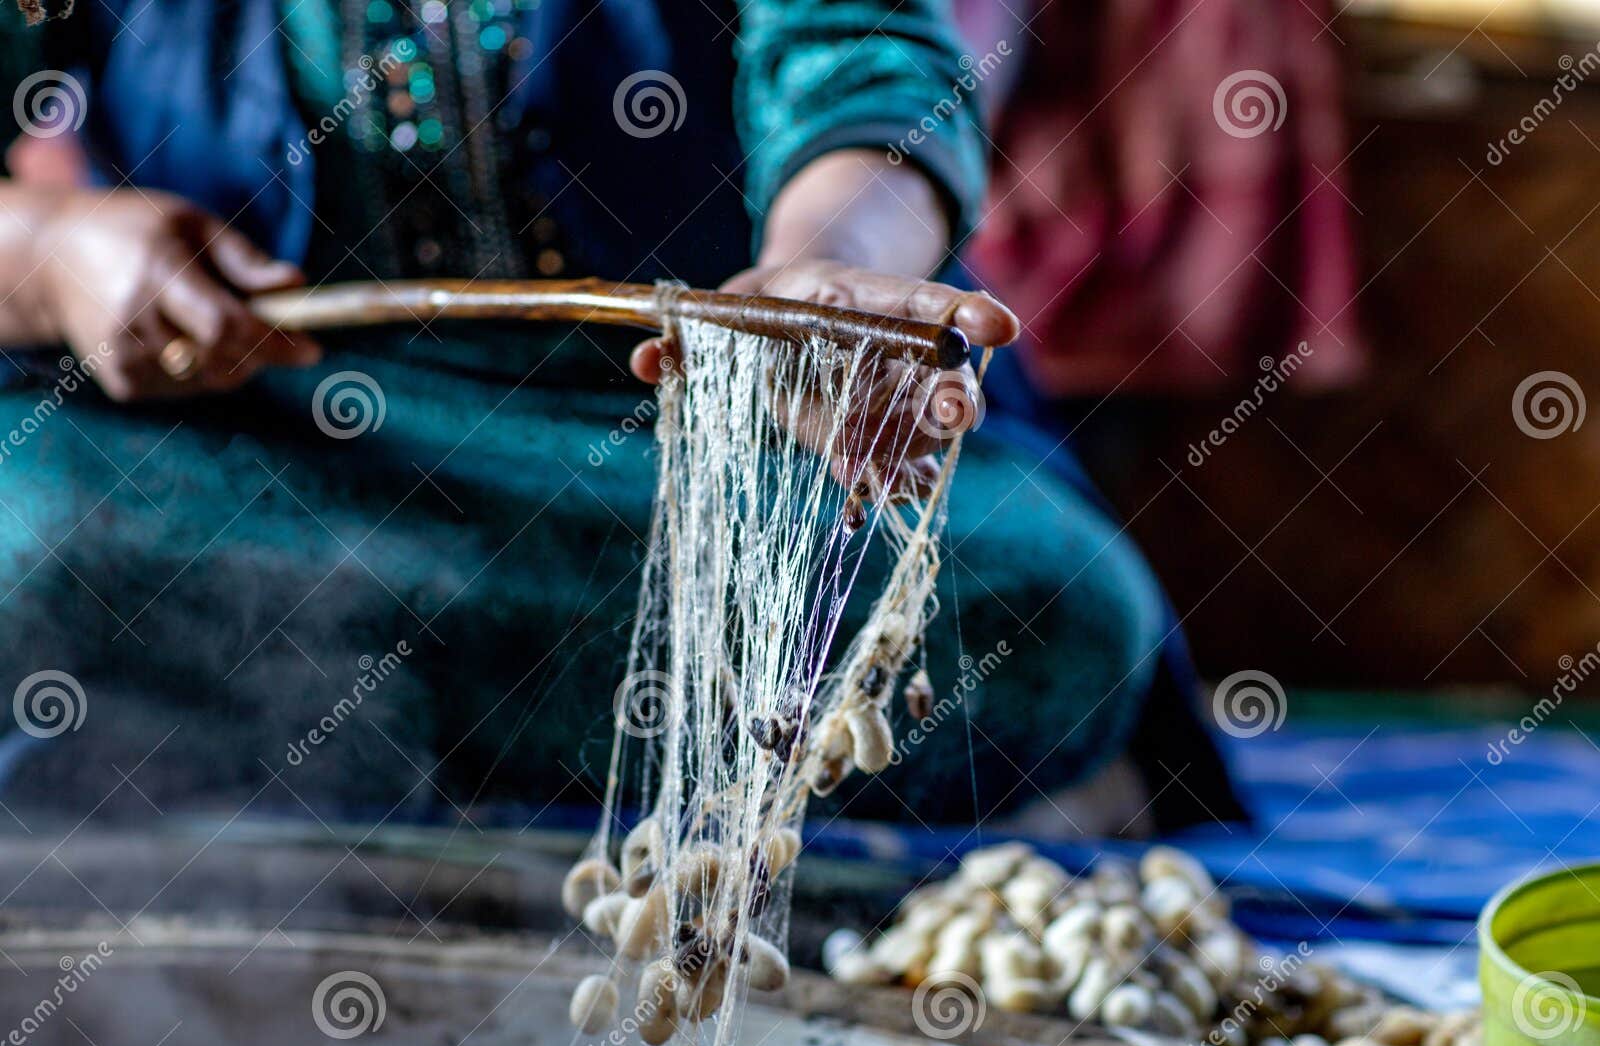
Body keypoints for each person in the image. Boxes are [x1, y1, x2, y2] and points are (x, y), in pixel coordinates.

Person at [0, 0, 1231, 833]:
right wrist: (50, 252)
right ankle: (595, 754)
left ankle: (310, 736)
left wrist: (824, 272)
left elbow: (865, 57)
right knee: (29, 519)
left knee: (1044, 607)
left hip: (710, 458)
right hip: (273, 459)